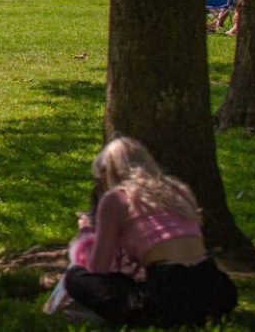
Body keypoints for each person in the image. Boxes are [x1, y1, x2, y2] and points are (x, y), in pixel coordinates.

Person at [60, 136, 238, 327]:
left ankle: (156, 318)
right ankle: (202, 315)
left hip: (167, 291)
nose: (101, 182)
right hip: (214, 286)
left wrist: (86, 230)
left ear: (108, 171)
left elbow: (99, 268)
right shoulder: (178, 190)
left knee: (77, 277)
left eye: (101, 175)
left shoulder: (116, 199)